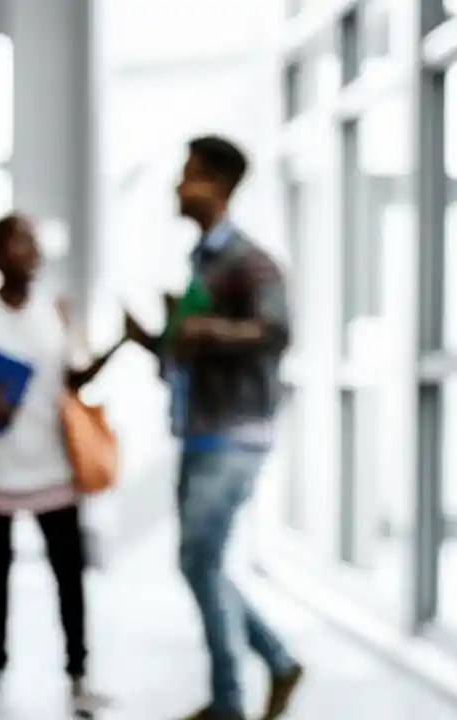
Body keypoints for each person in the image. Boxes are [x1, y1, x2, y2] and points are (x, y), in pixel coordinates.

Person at [125, 136, 303, 720]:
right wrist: (153, 339)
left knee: (200, 560)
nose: (179, 186)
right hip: (198, 428)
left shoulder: (251, 261)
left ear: (217, 185)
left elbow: (276, 332)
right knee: (197, 561)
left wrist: (208, 333)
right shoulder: (201, 260)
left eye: (189, 175)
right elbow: (191, 346)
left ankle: (232, 700)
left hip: (235, 433)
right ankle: (273, 663)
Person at [0, 214, 114, 717]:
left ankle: (78, 675)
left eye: (33, 242)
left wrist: (120, 344)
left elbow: (73, 378)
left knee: (68, 573)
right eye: (18, 242)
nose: (29, 250)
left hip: (50, 465)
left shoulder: (54, 310)